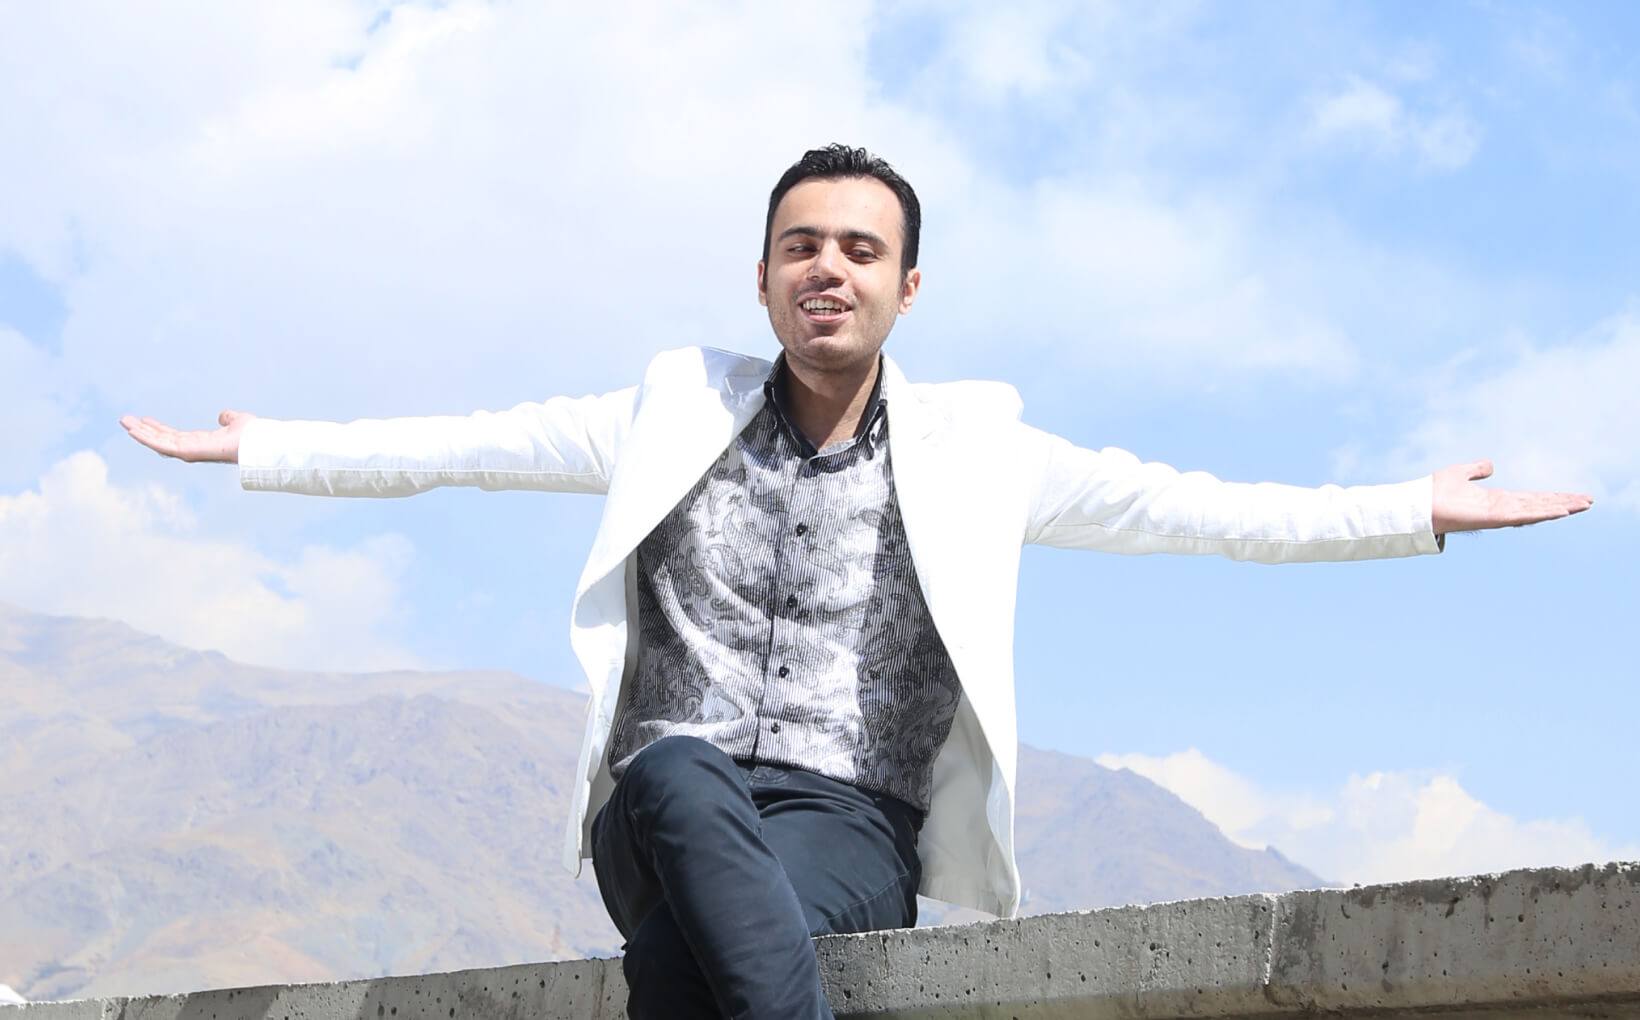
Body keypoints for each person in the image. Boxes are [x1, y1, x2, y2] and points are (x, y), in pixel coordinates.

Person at [121, 144, 1592, 1019]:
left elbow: (1203, 512)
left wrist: (1418, 510)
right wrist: (279, 448)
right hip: (667, 802)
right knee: (675, 772)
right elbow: (461, 444)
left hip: (848, 831)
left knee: (693, 966)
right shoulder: (667, 406)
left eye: (861, 250)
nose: (829, 268)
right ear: (762, 277)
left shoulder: (984, 447)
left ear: (907, 286)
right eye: (800, 247)